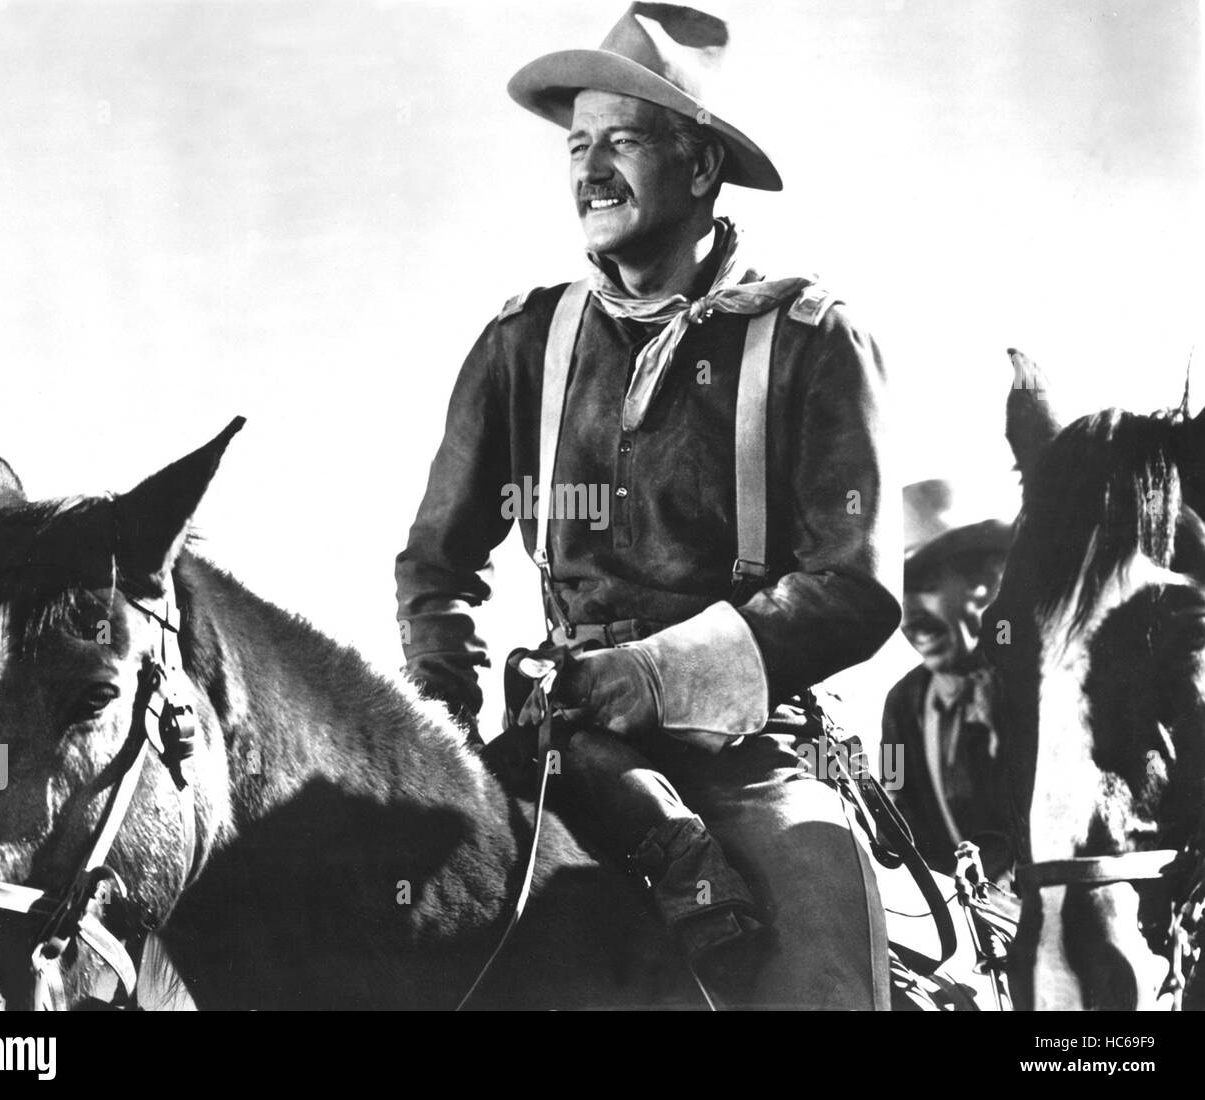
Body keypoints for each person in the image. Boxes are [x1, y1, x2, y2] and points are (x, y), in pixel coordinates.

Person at [396, 2, 901, 1008]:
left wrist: (652, 672)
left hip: (747, 761)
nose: (588, 170)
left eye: (620, 141)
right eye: (576, 145)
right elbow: (436, 566)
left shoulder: (810, 339)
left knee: (817, 987)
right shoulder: (523, 342)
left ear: (700, 165)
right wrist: (443, 721)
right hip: (547, 755)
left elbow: (853, 584)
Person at [881, 478, 1018, 881]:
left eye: (923, 587)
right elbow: (892, 805)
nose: (908, 617)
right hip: (965, 932)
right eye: (897, 595)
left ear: (985, 583)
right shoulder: (900, 705)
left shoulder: (1046, 684)